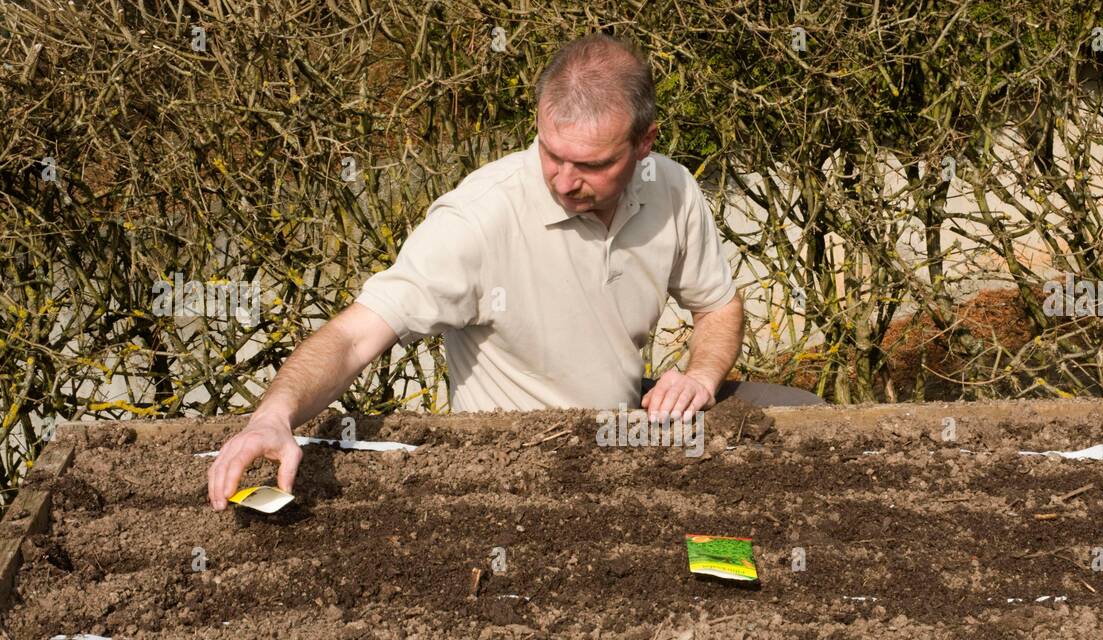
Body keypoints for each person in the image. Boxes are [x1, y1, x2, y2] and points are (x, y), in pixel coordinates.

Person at [207, 33, 821, 511]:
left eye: (591, 164)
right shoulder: (478, 220)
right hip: (520, 466)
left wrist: (701, 375)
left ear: (645, 144)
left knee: (807, 421)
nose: (562, 180)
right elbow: (353, 334)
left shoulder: (672, 190)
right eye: (551, 153)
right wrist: (272, 417)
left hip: (629, 432)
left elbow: (717, 305)